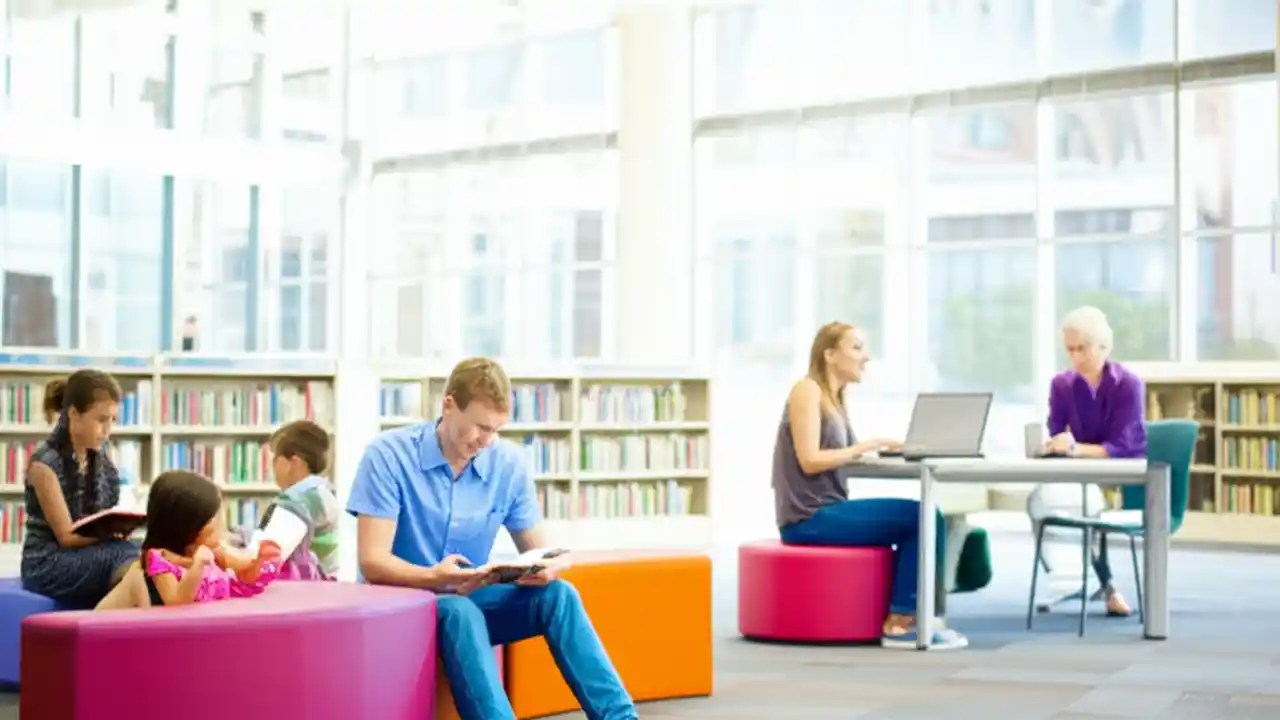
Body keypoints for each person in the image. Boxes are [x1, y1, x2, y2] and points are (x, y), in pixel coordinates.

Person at [347, 357, 637, 720]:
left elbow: (539, 548)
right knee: (460, 610)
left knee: (559, 596)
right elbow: (372, 561)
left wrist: (552, 564)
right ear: (449, 405)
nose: (487, 441)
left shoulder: (507, 464)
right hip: (400, 606)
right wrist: (434, 578)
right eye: (480, 427)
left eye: (496, 429)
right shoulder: (387, 455)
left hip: (467, 597)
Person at [773, 322, 969, 651]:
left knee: (923, 517)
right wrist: (860, 448)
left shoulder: (835, 399)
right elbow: (809, 459)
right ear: (830, 354)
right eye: (857, 348)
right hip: (808, 518)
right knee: (923, 517)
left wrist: (885, 450)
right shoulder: (807, 390)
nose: (866, 357)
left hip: (825, 509)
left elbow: (833, 457)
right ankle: (901, 624)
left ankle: (914, 617)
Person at [1027, 305, 1147, 617]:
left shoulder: (1128, 384)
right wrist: (1056, 444)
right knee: (1038, 501)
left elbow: (1122, 445)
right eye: (1070, 349)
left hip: (1124, 474)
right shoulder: (1062, 384)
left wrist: (1077, 448)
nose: (1076, 357)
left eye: (1083, 348)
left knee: (1088, 505)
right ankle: (1077, 579)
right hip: (1082, 471)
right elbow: (1057, 430)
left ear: (1104, 347)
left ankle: (1103, 583)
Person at [21, 370, 140, 608]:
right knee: (126, 558)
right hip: (48, 561)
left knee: (149, 549)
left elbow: (103, 513)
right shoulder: (44, 465)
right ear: (74, 415)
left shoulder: (101, 460)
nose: (108, 430)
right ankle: (109, 626)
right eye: (101, 420)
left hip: (90, 550)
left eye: (112, 420)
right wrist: (107, 534)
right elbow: (66, 537)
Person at [95, 470, 281, 609]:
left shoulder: (211, 552)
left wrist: (262, 560)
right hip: (105, 640)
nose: (222, 530)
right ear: (188, 528)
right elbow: (176, 603)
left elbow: (245, 568)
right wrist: (197, 567)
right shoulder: (159, 561)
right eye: (214, 523)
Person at [247, 419, 340, 580]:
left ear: (294, 462)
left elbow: (262, 557)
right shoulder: (322, 493)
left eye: (275, 459)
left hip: (297, 593)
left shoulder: (297, 502)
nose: (271, 468)